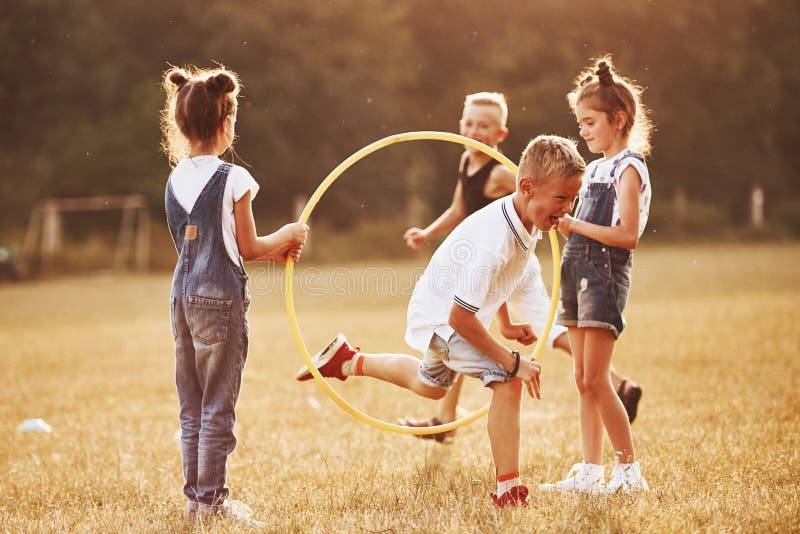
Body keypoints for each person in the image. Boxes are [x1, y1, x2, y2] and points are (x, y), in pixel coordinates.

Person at [297, 135, 585, 508]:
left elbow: (493, 282)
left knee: (430, 387)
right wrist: (512, 360)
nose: (568, 208)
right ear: (527, 188)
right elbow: (460, 316)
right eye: (561, 198)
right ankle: (508, 489)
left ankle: (348, 360)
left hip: (446, 314)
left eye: (573, 198)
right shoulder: (495, 241)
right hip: (444, 319)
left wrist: (506, 324)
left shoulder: (525, 222)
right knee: (508, 381)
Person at [400, 92, 641, 444]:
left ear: (500, 134)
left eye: (484, 126)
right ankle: (445, 418)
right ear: (459, 125)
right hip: (487, 264)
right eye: (469, 123)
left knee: (543, 325)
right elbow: (459, 209)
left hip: (510, 262)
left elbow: (531, 193)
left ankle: (614, 382)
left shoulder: (500, 173)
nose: (474, 130)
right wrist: (427, 233)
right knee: (467, 330)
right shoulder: (467, 164)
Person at [161, 65, 308, 525]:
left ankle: (195, 500)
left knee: (193, 406)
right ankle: (213, 502)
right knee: (218, 406)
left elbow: (209, 242)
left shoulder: (175, 179)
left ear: (182, 125)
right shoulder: (234, 178)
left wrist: (274, 252)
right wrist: (288, 233)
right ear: (226, 123)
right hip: (219, 300)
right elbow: (246, 247)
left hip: (182, 299)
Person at [539, 58, 654, 494]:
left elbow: (627, 235)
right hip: (576, 271)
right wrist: (561, 218)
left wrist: (575, 226)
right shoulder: (594, 170)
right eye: (580, 122)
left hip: (604, 276)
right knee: (581, 378)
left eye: (590, 122)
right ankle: (590, 472)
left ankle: (628, 471)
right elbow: (578, 221)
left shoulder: (629, 167)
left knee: (596, 378)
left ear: (618, 119)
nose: (583, 130)